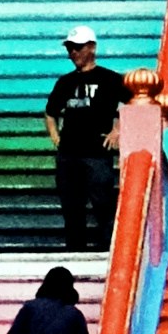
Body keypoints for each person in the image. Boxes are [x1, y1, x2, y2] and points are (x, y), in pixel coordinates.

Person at [36, 25, 121, 250]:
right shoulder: (65, 82)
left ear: (91, 48)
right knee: (72, 209)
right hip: (68, 156)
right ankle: (75, 253)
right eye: (70, 48)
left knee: (103, 206)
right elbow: (50, 112)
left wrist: (118, 130)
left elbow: (134, 104)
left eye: (77, 48)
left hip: (97, 154)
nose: (73, 53)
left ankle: (108, 251)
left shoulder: (110, 79)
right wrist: (56, 138)